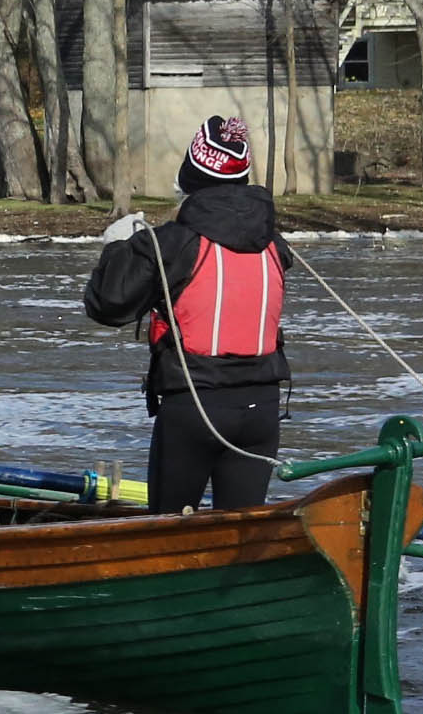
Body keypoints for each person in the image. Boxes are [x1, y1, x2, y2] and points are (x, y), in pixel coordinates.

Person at [82, 115, 292, 513]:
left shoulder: (172, 244)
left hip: (195, 409)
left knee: (166, 533)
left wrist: (116, 248)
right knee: (240, 536)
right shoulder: (274, 244)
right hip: (262, 409)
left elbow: (107, 306)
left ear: (190, 176)